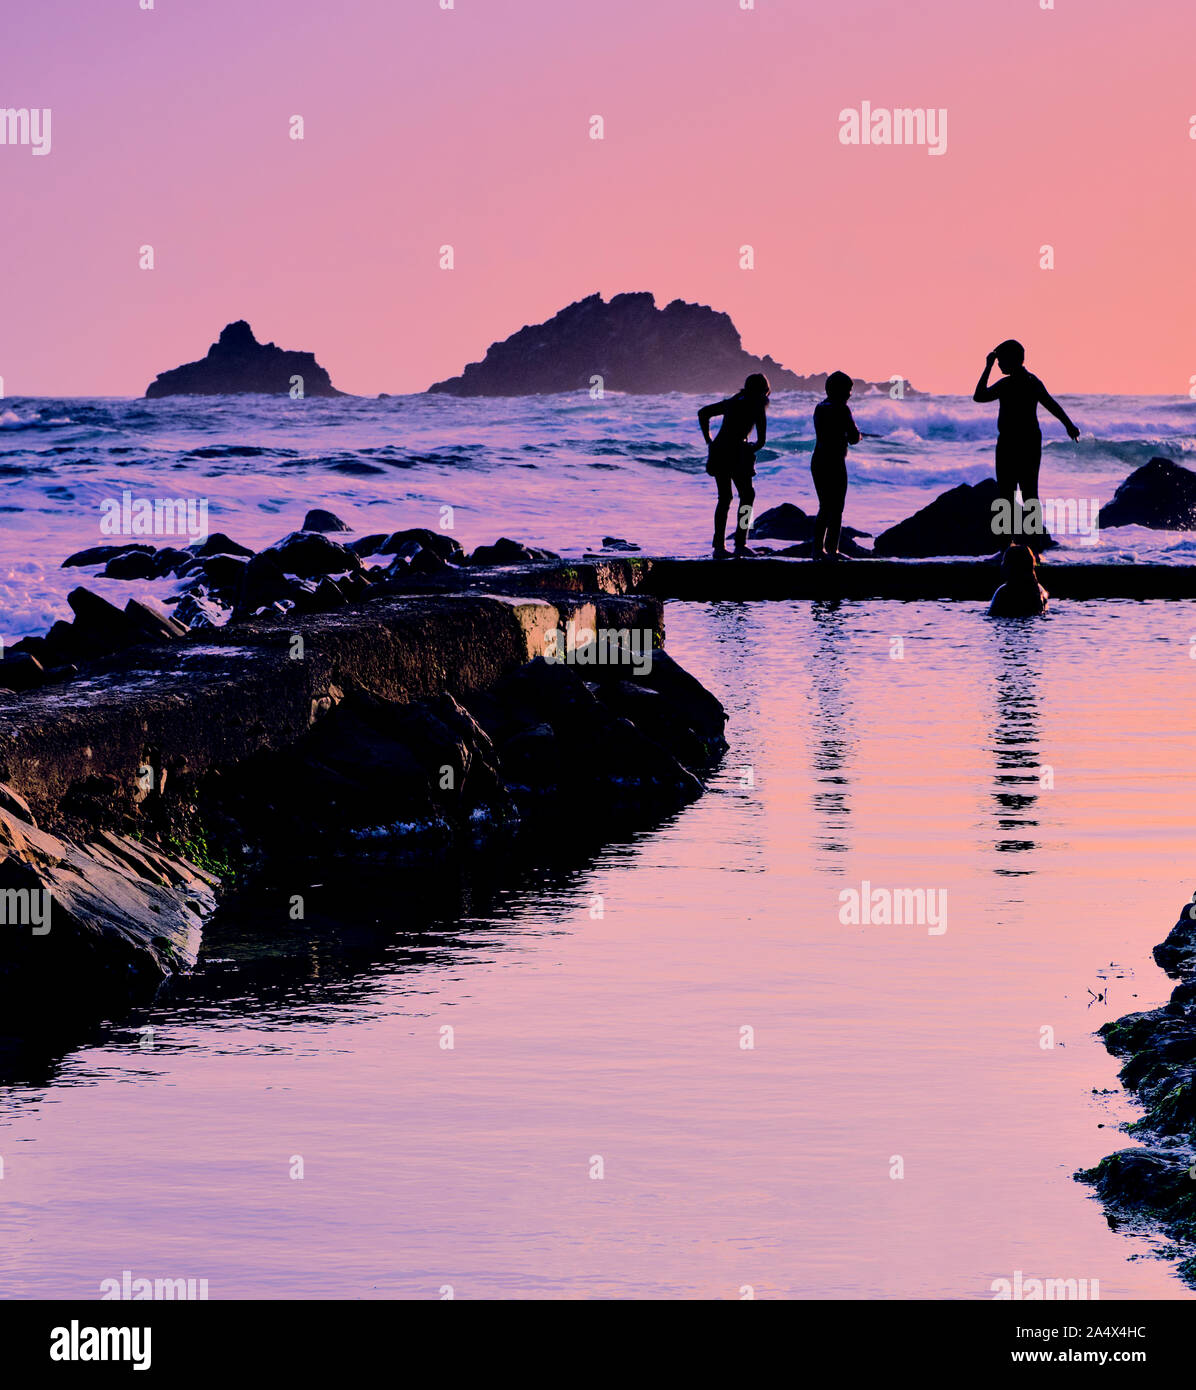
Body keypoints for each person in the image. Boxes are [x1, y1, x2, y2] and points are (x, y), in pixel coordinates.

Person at [973, 340, 1079, 552]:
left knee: (1007, 497)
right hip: (1028, 442)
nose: (999, 364)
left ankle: (1005, 549)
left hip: (1011, 444)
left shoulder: (1009, 384)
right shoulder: (1032, 381)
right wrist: (1069, 425)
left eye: (1001, 360)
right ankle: (1034, 549)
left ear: (1012, 360)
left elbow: (979, 395)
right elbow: (1052, 404)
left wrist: (987, 367)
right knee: (1029, 495)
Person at [698, 373, 769, 557]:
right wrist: (750, 447)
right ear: (763, 391)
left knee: (724, 498)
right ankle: (741, 543)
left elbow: (703, 413)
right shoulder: (758, 404)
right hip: (737, 452)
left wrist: (709, 441)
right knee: (748, 496)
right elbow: (761, 440)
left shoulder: (733, 401)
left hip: (719, 451)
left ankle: (719, 548)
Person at [811, 371, 860, 560]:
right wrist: (856, 436)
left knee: (824, 506)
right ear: (839, 391)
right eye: (848, 390)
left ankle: (817, 550)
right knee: (836, 507)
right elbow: (854, 437)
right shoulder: (842, 408)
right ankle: (832, 550)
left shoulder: (820, 407)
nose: (850, 394)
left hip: (818, 461)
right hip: (835, 462)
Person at [987, 542, 1048, 617]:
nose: (1002, 564)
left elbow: (992, 615)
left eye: (1004, 561)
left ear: (1010, 566)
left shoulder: (1003, 592)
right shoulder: (1039, 590)